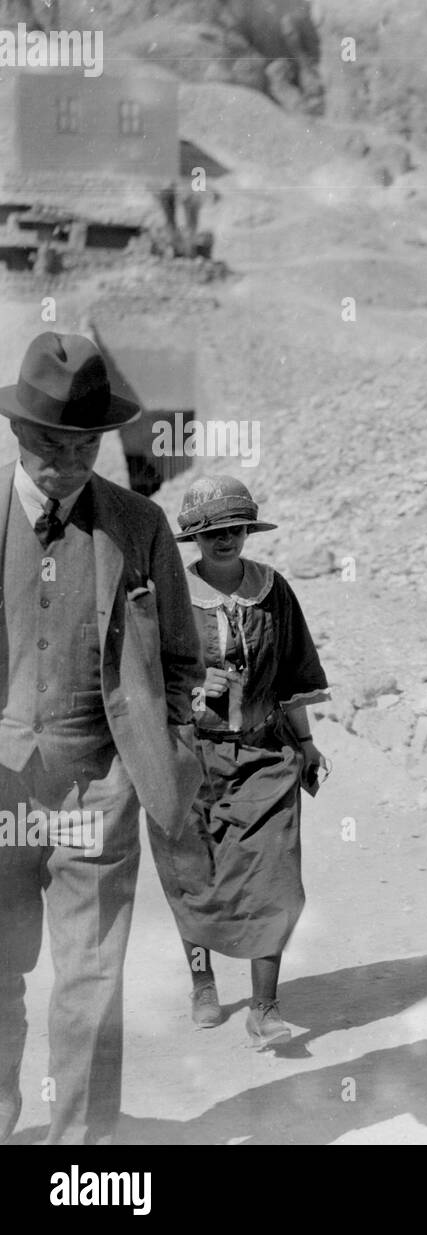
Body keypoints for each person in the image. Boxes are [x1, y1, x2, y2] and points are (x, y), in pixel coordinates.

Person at [0, 332, 205, 1144]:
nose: (69, 462)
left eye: (84, 445)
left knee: (90, 976)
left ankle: (78, 1157)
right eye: (52, 444)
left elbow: (184, 661)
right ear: (19, 434)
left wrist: (165, 754)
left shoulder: (140, 525)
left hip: (99, 788)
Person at [149, 475, 329, 1049]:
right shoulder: (168, 594)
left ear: (248, 530)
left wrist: (304, 744)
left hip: (263, 753)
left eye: (234, 529)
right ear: (195, 538)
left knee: (274, 878)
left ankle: (265, 1007)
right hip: (188, 755)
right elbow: (141, 677)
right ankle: (202, 981)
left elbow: (295, 675)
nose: (224, 540)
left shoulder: (273, 591)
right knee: (193, 876)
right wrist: (185, 700)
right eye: (211, 531)